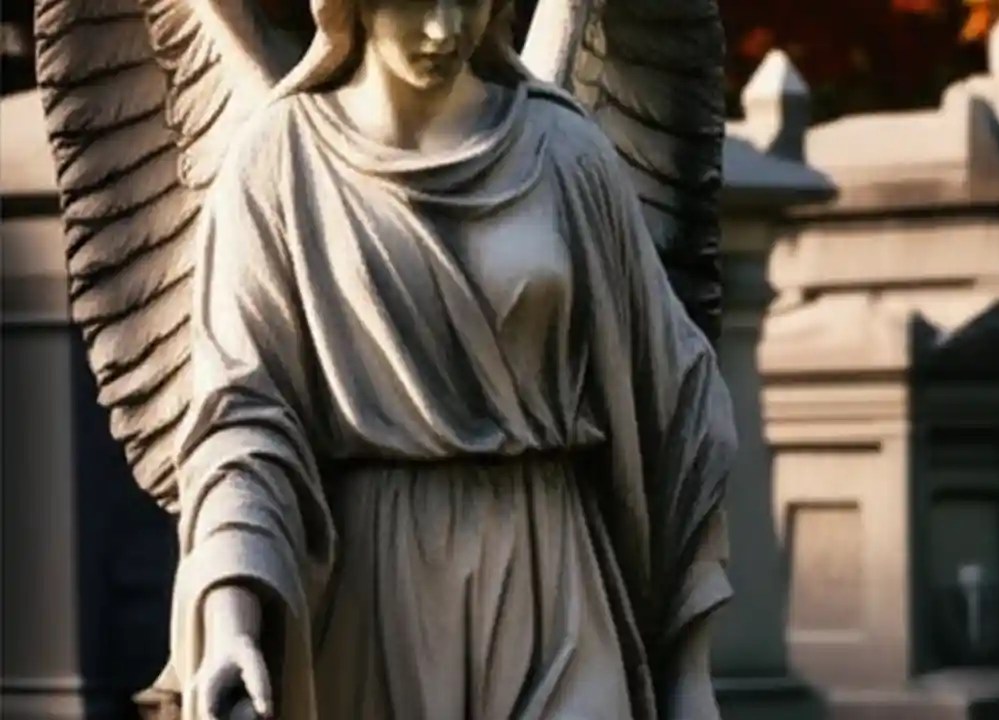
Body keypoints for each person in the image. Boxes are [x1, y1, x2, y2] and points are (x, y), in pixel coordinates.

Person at [159, 0, 738, 717]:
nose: (444, 29)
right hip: (375, 586)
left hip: (555, 569)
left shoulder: (565, 152)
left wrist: (688, 671)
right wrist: (231, 624)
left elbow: (670, 402)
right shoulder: (278, 162)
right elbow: (241, 419)